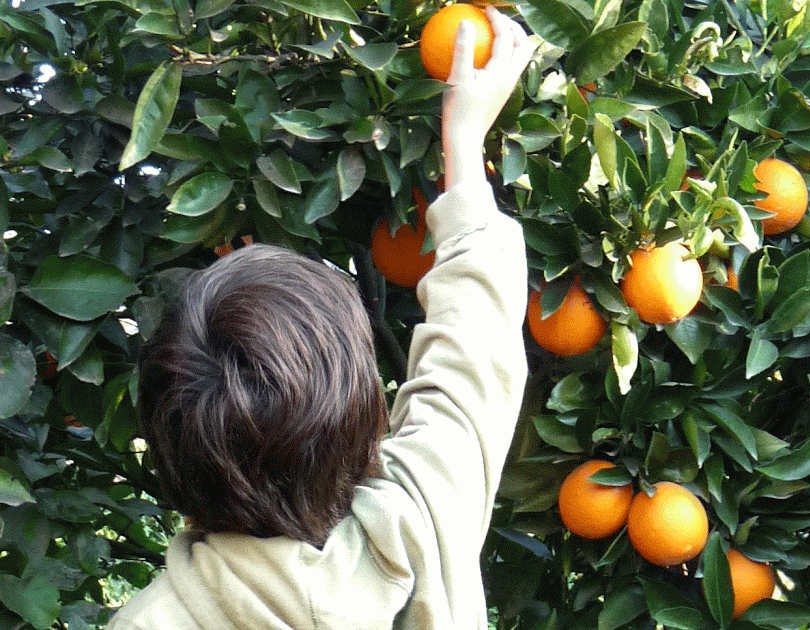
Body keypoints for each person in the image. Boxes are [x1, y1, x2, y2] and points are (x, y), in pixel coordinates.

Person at [107, 8, 533, 629]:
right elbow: (474, 345)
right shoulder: (421, 522)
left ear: (171, 455)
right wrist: (463, 143)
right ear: (364, 417)